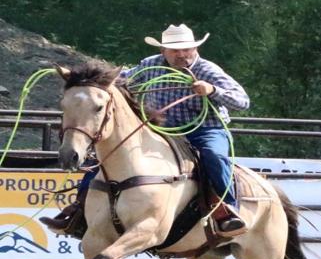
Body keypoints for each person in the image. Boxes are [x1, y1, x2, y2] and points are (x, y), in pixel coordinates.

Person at [43, 23, 252, 237]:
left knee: (213, 156)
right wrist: (83, 81)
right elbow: (121, 81)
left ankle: (227, 209)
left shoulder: (207, 70)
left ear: (195, 49)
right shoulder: (150, 66)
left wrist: (212, 90)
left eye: (187, 49)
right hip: (161, 131)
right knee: (106, 155)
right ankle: (79, 210)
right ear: (163, 51)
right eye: (175, 50)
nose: (182, 54)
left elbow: (242, 101)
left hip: (205, 130)